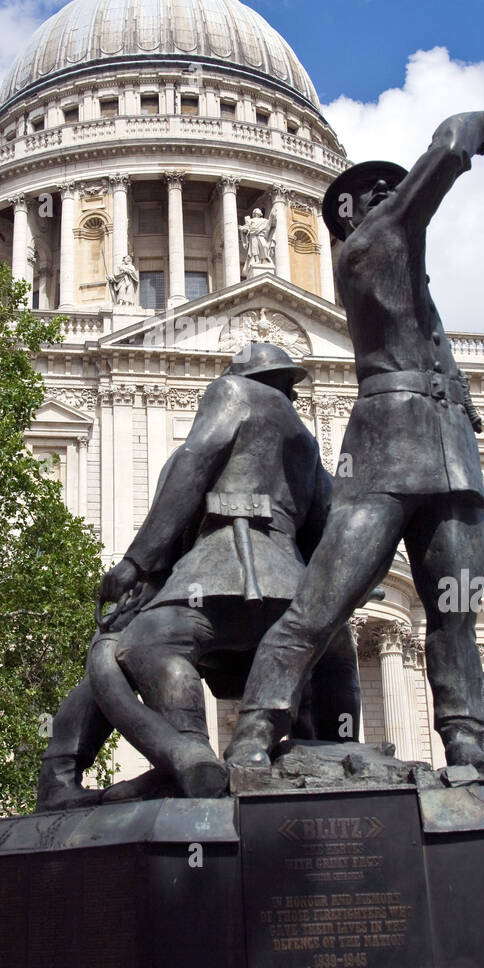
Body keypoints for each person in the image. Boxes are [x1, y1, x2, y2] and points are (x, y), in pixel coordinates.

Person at [226, 111, 484, 777]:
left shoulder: (407, 270)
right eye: (373, 192)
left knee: (455, 612)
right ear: (346, 218)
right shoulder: (370, 245)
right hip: (386, 449)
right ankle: (256, 730)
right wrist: (469, 128)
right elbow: (442, 153)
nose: (388, 195)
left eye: (392, 188)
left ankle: (464, 742)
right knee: (323, 601)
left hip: (449, 455)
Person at [36, 343, 362, 804]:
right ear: (285, 382)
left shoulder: (233, 391)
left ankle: (186, 755)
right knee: (327, 658)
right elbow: (328, 522)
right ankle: (331, 756)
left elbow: (193, 465)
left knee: (135, 647)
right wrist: (338, 594)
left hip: (224, 573)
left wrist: (136, 562)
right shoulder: (306, 442)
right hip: (291, 593)